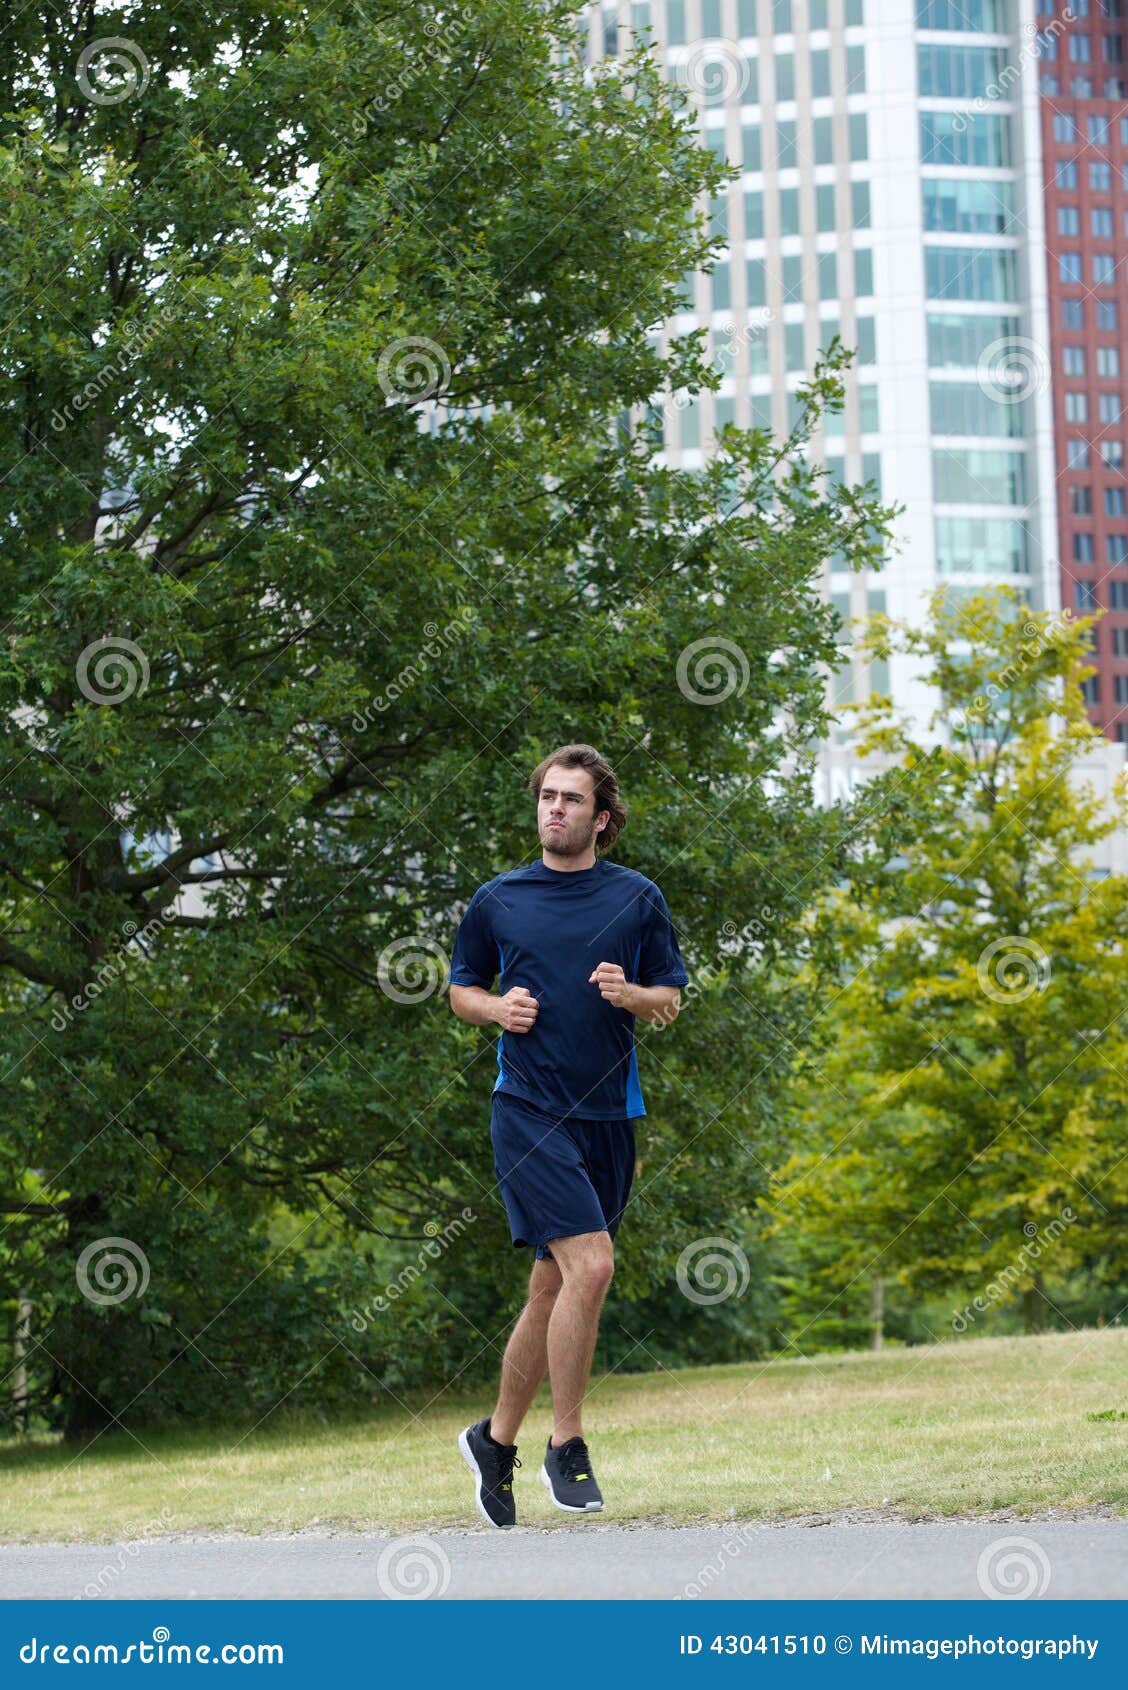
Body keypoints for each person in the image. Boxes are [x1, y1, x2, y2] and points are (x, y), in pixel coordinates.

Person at [446, 743, 688, 1528]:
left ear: (601, 818)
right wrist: (495, 1008)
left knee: (553, 1286)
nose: (554, 808)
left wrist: (630, 994)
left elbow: (669, 1001)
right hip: (527, 1109)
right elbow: (460, 989)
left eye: (571, 799)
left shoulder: (637, 898)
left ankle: (494, 1441)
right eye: (547, 796)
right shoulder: (499, 899)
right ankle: (567, 1444)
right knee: (594, 1264)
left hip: (610, 1116)